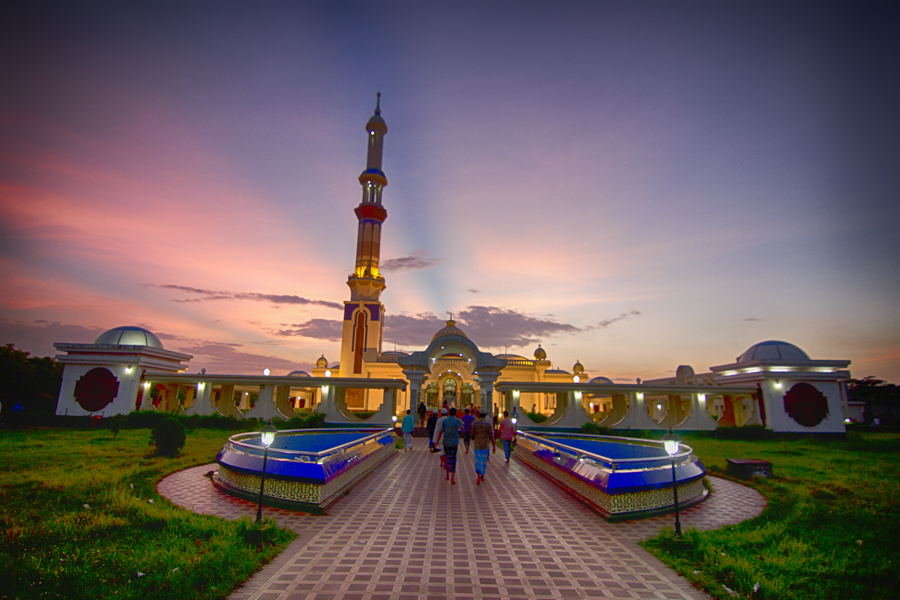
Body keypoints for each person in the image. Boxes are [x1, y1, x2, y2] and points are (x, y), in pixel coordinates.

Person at [435, 407, 462, 484]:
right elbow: (462, 426)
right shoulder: (456, 420)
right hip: (454, 442)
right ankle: (452, 477)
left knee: (447, 457)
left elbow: (441, 432)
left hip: (446, 442)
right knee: (453, 459)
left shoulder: (445, 421)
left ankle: (447, 475)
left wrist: (437, 442)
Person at [471, 409, 495, 485]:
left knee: (477, 460)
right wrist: (494, 445)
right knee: (483, 461)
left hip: (477, 444)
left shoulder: (475, 423)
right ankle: (482, 475)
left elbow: (472, 433)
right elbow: (491, 436)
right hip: (485, 445)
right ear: (485, 415)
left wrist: (473, 437)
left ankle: (478, 475)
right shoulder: (488, 425)